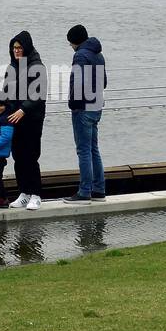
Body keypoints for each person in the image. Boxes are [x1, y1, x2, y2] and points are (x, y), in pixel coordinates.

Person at [1, 30, 46, 210]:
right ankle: (24, 193)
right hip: (14, 117)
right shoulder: (12, 67)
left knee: (31, 156)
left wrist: (23, 109)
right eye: (14, 48)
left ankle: (36, 194)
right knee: (18, 156)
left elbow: (38, 95)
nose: (17, 51)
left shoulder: (37, 66)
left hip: (32, 118)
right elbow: (5, 93)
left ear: (26, 48)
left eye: (19, 48)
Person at [62, 23, 107, 202]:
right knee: (93, 149)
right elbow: (103, 82)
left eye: (70, 43)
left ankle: (84, 192)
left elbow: (77, 83)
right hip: (96, 106)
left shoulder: (80, 55)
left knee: (83, 151)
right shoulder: (99, 54)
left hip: (83, 108)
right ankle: (99, 190)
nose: (70, 46)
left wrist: (72, 104)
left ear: (75, 41)